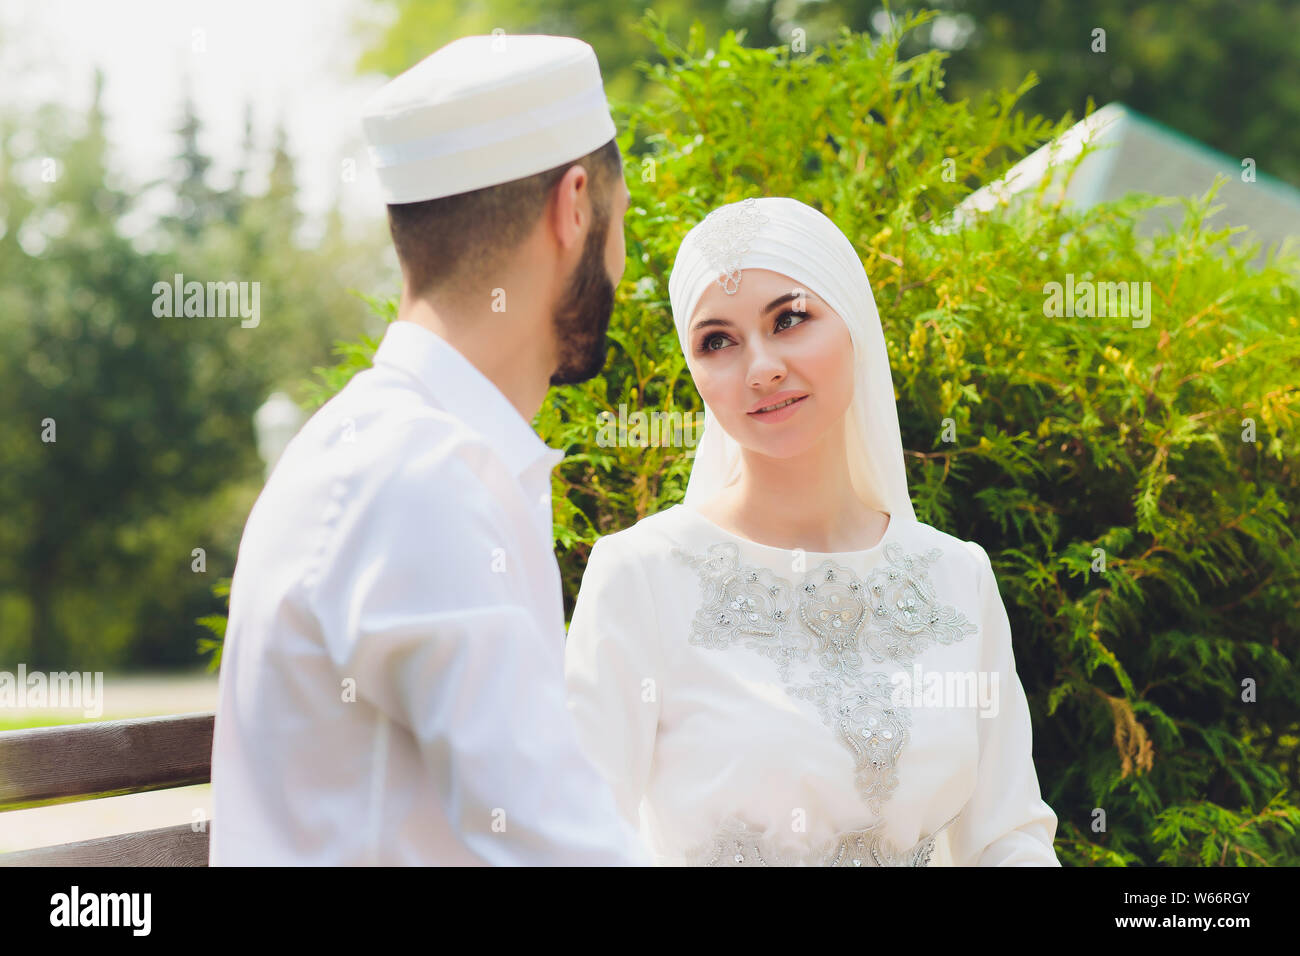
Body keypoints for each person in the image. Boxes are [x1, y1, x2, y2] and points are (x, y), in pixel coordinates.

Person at [210, 34, 648, 865]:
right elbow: (561, 848)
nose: (620, 265)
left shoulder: (406, 449)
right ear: (576, 207)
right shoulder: (421, 476)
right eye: (620, 225)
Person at [564, 196, 1060, 866]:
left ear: (852, 320)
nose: (761, 366)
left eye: (790, 319)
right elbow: (576, 838)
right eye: (718, 341)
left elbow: (1008, 839)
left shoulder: (955, 577)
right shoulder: (642, 576)